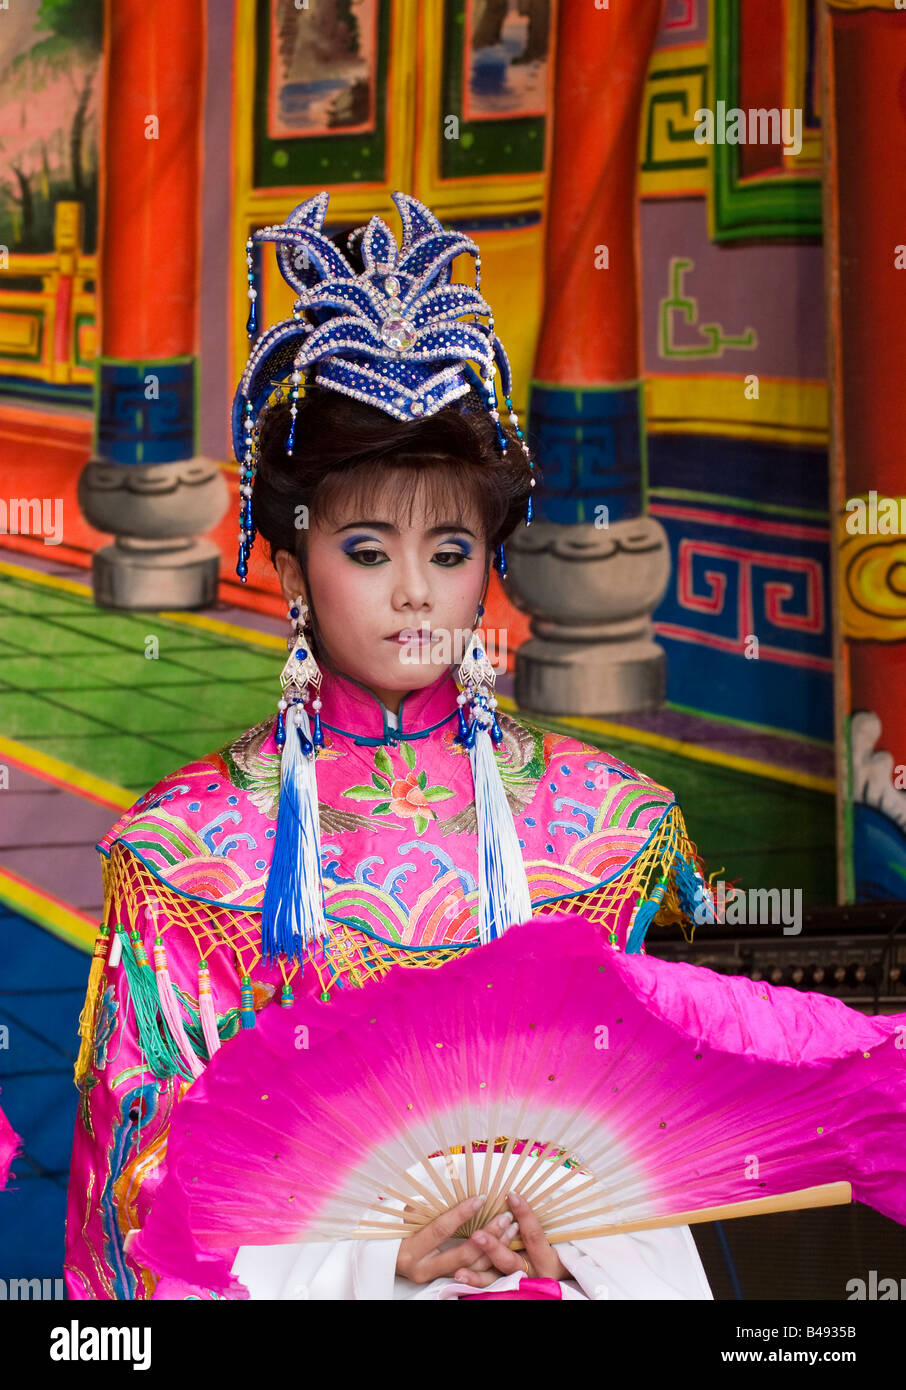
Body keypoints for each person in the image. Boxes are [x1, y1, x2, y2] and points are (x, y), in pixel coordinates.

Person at [65, 191, 713, 1301]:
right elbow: (139, 1204)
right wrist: (374, 1262)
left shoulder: (607, 829)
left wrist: (575, 1244)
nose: (415, 590)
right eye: (367, 548)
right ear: (289, 564)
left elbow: (669, 1151)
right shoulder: (190, 858)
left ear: (488, 564)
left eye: (450, 546)